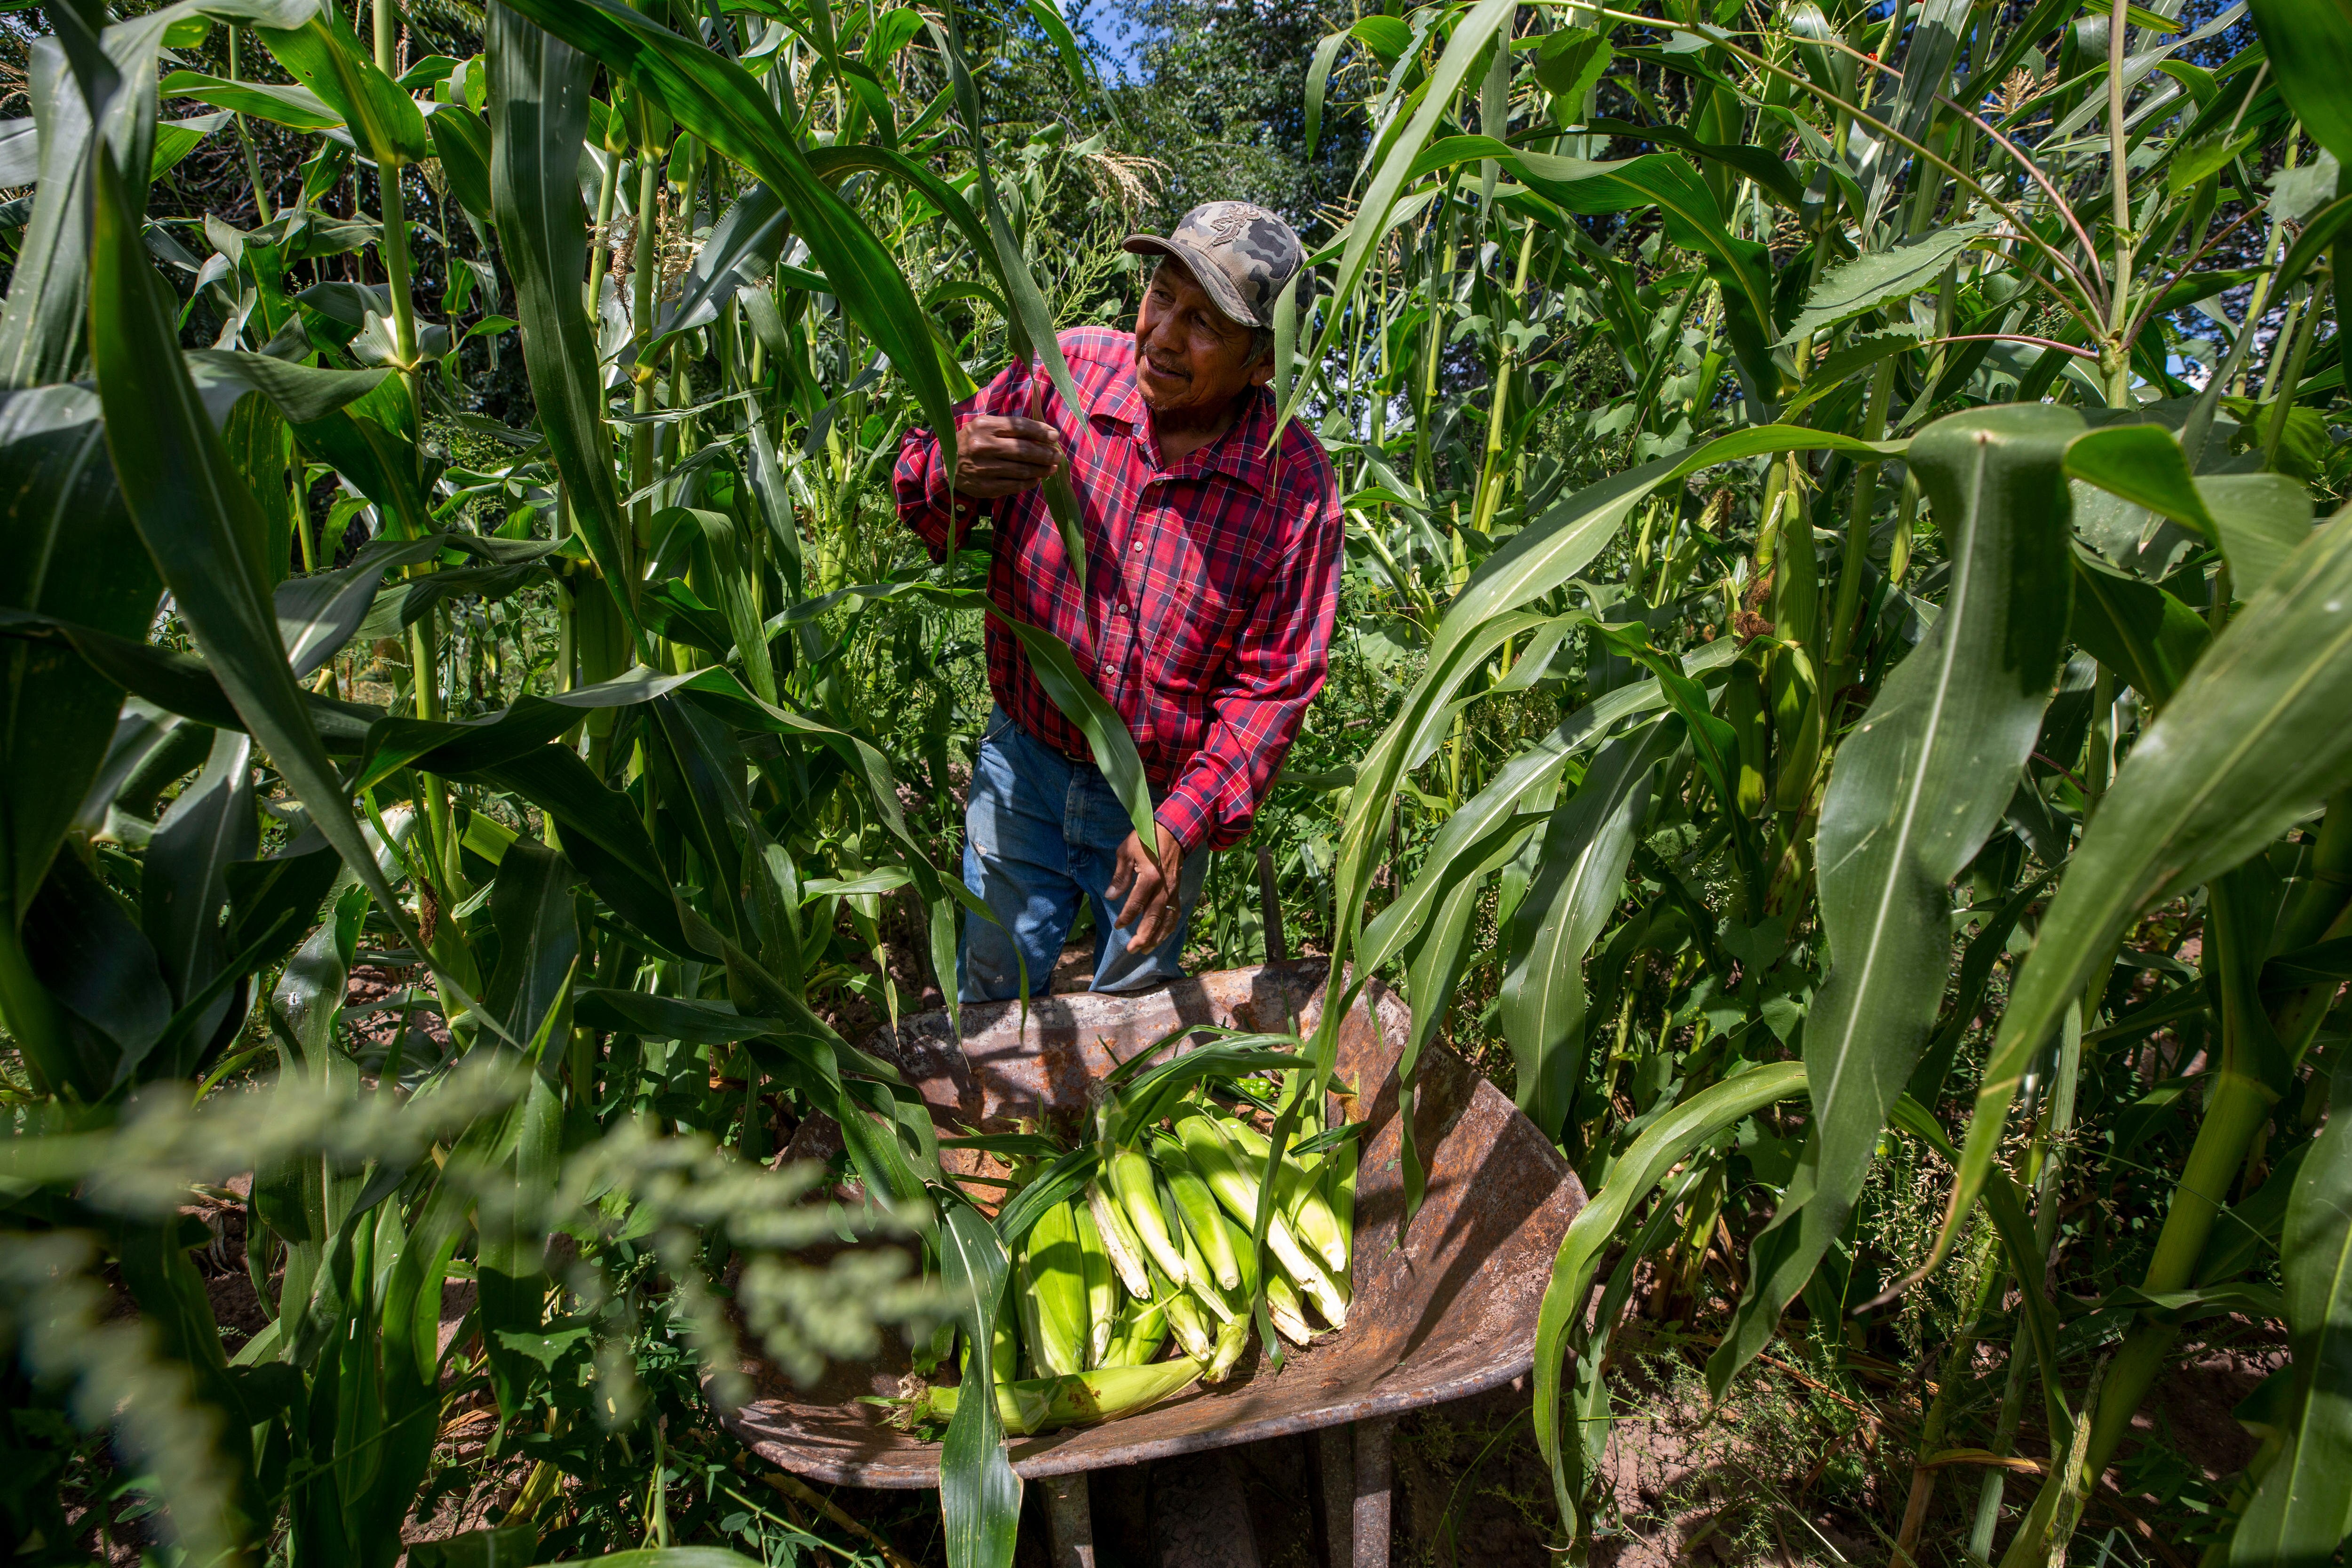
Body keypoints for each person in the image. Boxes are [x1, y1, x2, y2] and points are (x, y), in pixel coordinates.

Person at [894, 201, 1344, 1003]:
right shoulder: (1064, 372)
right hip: (1023, 766)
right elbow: (920, 487)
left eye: (1204, 322)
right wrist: (950, 471)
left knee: (1132, 1019)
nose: (1162, 334)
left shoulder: (1294, 488)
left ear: (1263, 365)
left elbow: (1273, 689)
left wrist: (1179, 823)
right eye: (1162, 294)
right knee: (993, 997)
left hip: (1156, 804)